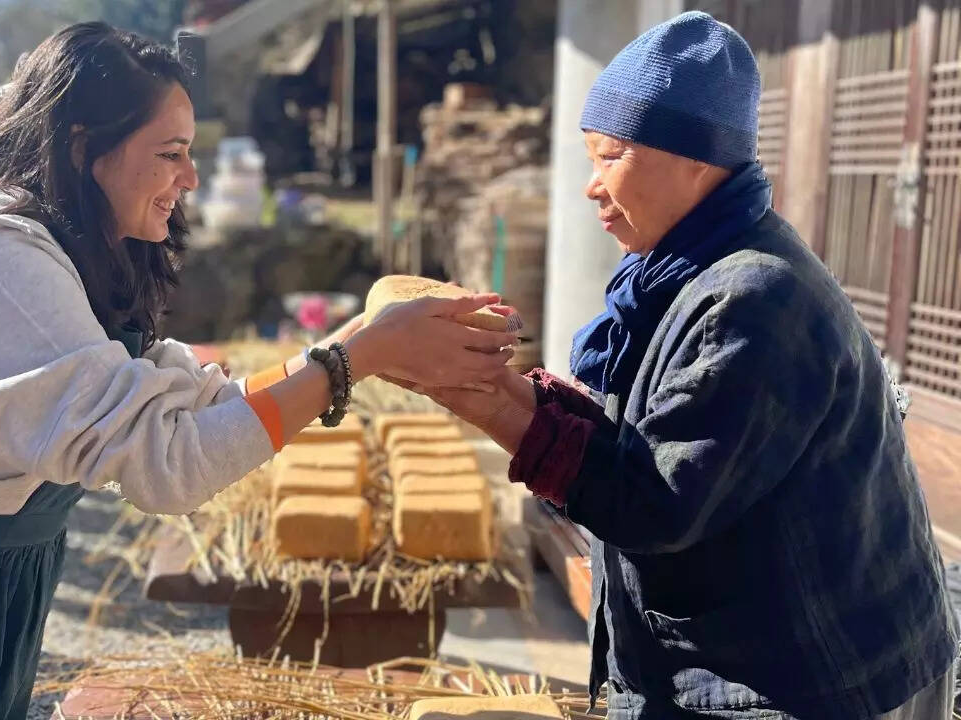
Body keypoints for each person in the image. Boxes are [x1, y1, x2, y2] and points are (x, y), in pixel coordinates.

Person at [0, 23, 516, 720]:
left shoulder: (51, 252)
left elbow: (189, 414)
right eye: (171, 153)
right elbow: (169, 468)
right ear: (85, 150)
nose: (190, 178)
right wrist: (355, 358)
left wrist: (349, 344)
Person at [410, 12, 957, 720]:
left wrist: (486, 402)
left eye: (612, 157)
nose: (592, 187)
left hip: (813, 681)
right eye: (589, 160)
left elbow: (655, 500)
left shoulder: (753, 295)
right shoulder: (676, 275)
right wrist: (509, 392)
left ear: (695, 157)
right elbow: (635, 441)